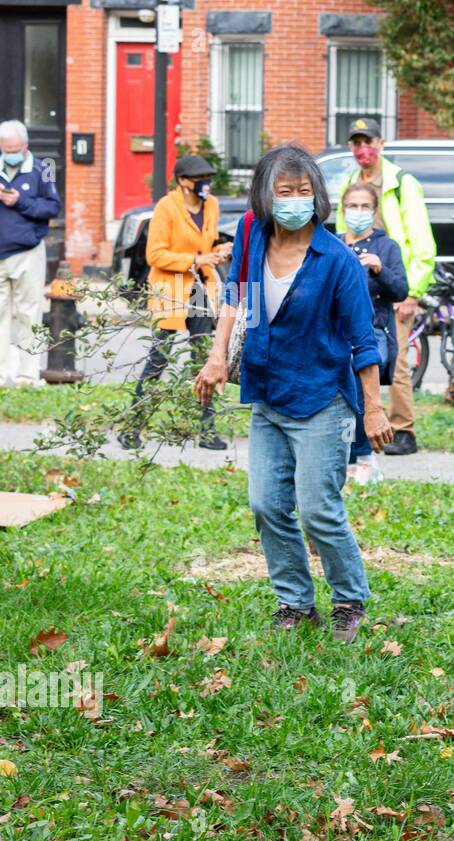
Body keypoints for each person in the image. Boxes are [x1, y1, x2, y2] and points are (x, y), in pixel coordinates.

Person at [194, 144, 394, 643]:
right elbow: (237, 299)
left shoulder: (336, 260)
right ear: (266, 196)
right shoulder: (253, 237)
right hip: (267, 394)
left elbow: (362, 340)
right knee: (266, 505)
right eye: (284, 192)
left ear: (318, 197)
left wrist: (373, 409)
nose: (295, 200)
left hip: (321, 400)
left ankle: (350, 600)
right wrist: (217, 357)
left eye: (304, 191)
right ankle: (295, 603)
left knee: (318, 508)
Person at [338, 118, 436, 456]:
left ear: (381, 143)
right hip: (359, 286)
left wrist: (413, 292)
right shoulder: (351, 182)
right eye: (356, 143)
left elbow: (421, 238)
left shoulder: (402, 182)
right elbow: (342, 232)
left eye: (368, 142)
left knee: (395, 361)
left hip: (393, 282)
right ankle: (360, 427)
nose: (362, 149)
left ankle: (402, 429)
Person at [120, 154, 231, 450]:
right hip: (170, 288)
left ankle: (207, 432)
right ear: (183, 181)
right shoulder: (166, 207)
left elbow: (208, 244)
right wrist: (195, 259)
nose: (205, 184)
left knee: (203, 357)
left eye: (208, 178)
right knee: (159, 360)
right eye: (199, 179)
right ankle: (131, 428)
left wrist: (221, 249)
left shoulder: (212, 205)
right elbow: (154, 255)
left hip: (199, 288)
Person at [340, 181, 406, 485]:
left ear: (375, 210)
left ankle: (365, 458)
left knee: (363, 395)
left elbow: (400, 291)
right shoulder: (336, 244)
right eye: (352, 206)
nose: (358, 212)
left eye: (365, 206)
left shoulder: (386, 246)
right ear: (343, 209)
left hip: (373, 332)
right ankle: (348, 459)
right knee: (342, 398)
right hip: (337, 333)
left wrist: (380, 269)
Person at [0, 119, 60, 387]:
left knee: (28, 314)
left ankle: (27, 374)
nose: (9, 153)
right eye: (4, 148)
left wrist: (19, 201)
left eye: (13, 148)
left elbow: (52, 207)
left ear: (25, 146)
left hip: (28, 251)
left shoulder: (43, 169)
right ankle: (2, 375)